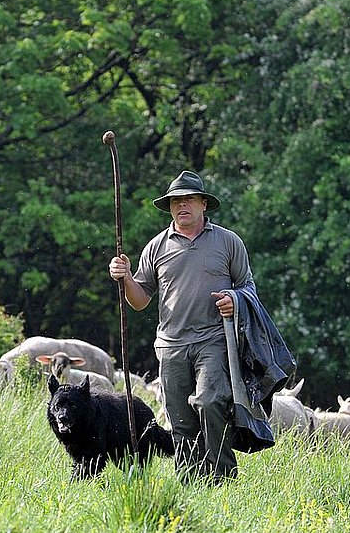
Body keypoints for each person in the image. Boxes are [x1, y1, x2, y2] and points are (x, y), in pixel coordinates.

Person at [108, 170, 256, 483]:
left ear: (204, 203)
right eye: (176, 200)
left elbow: (248, 288)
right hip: (171, 345)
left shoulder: (228, 242)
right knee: (180, 421)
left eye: (188, 198)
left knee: (210, 401)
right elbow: (139, 300)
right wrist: (126, 278)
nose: (182, 205)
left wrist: (234, 299)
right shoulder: (156, 247)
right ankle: (189, 484)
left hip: (213, 340)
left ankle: (222, 480)